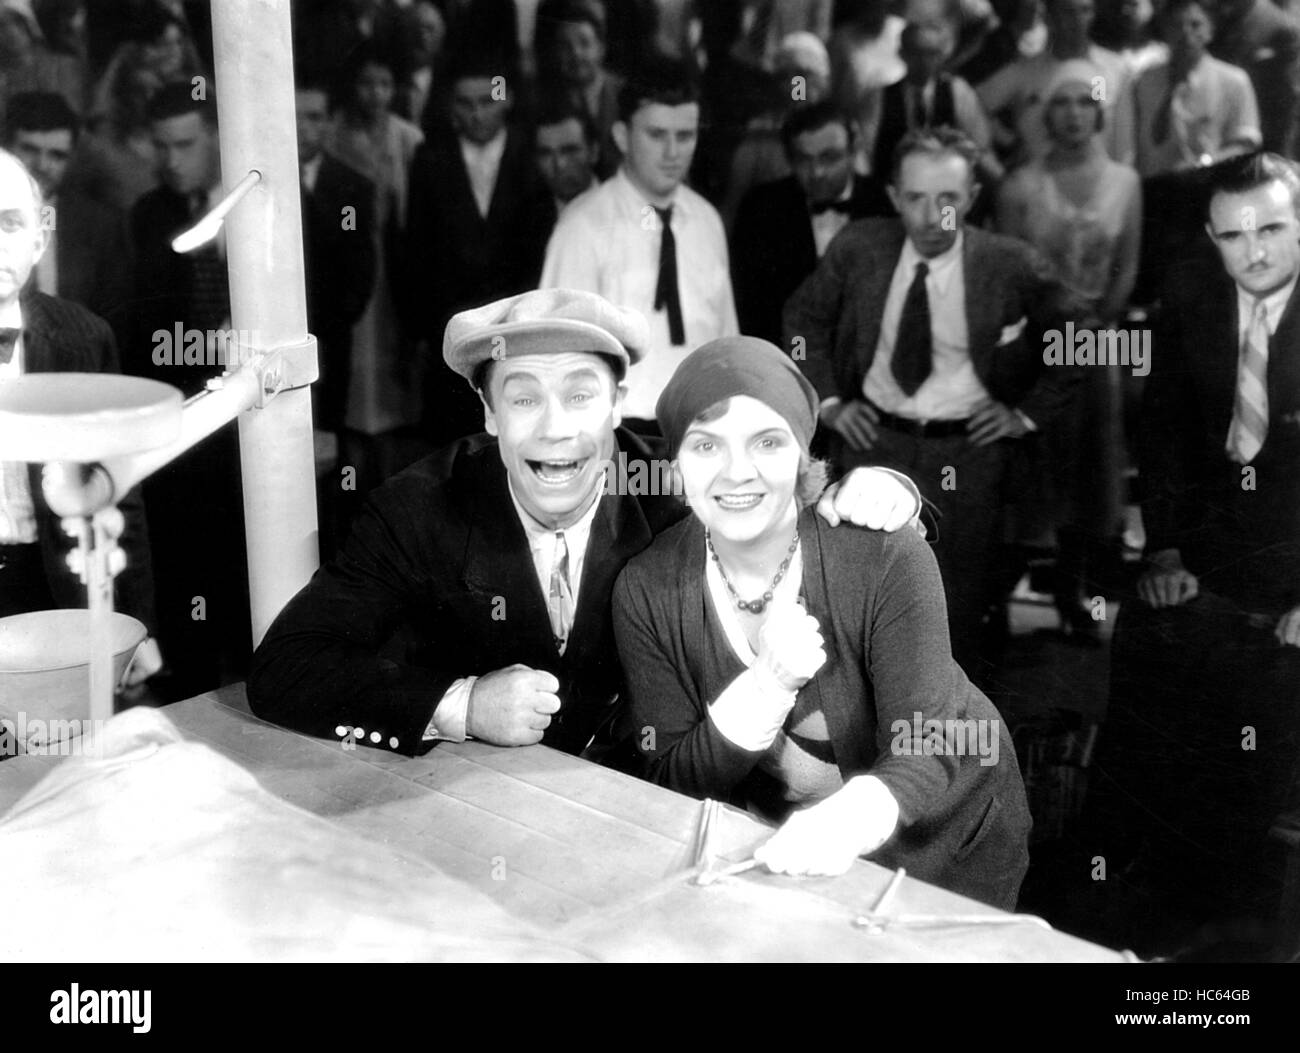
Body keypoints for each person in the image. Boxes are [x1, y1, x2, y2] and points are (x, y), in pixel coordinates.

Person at [248, 289, 924, 760]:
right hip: (467, 801)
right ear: (487, 414)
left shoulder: (676, 483)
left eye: (579, 394)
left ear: (618, 407)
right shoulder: (418, 508)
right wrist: (462, 704)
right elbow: (286, 668)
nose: (556, 427)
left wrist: (883, 490)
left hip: (647, 795)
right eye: (523, 397)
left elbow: (810, 497)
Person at [612, 336, 1031, 904]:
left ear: (803, 455)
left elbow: (928, 739)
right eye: (706, 446)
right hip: (788, 861)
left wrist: (856, 815)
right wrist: (764, 689)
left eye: (768, 442)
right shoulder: (648, 588)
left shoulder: (882, 553)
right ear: (675, 463)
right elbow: (671, 780)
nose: (738, 474)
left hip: (947, 839)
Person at [1081, 153, 1300, 956]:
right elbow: (1165, 435)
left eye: (1273, 227)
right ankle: (1118, 886)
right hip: (1210, 556)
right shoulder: (1193, 294)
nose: (1256, 252)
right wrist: (1164, 550)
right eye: (1235, 235)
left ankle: (1232, 936)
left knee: (1264, 702)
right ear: (1212, 237)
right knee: (1149, 647)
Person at [785, 126, 1076, 681]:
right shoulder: (861, 246)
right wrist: (829, 402)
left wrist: (1027, 412)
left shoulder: (1006, 262)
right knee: (854, 599)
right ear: (894, 197)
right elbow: (804, 317)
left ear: (971, 198)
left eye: (948, 198)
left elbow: (1083, 331)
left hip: (966, 456)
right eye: (915, 197)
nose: (930, 215)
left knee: (953, 608)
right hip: (874, 444)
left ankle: (943, 745)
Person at [0, 146, 160, 682]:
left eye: (10, 224)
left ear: (39, 240)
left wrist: (135, 627)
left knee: (60, 751)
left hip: (52, 587)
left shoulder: (82, 338)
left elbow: (119, 495)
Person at [997, 61, 1141, 633]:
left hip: (1101, 342)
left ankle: (1074, 591)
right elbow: (1009, 275)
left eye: (1086, 102)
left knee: (1092, 468)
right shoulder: (1019, 185)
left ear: (1101, 111)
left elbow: (1128, 269)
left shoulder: (1126, 181)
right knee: (1037, 465)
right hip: (1034, 342)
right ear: (1046, 113)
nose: (1075, 113)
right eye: (1063, 102)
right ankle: (1003, 591)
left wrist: (1089, 333)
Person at [123, 85, 249, 700]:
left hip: (251, 417)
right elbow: (143, 327)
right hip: (179, 419)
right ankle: (190, 689)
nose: (172, 159)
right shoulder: (151, 214)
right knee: (184, 562)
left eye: (186, 144)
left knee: (245, 565)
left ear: (217, 140)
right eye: (161, 146)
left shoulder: (253, 203)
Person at [541, 56, 738, 437]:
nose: (672, 152)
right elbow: (558, 354)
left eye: (685, 136)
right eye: (656, 134)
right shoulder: (583, 227)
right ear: (620, 136)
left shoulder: (706, 221)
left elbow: (726, 340)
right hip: (617, 433)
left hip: (702, 427)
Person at [405, 51, 539, 448]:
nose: (476, 114)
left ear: (507, 99)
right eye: (465, 104)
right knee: (457, 452)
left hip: (522, 332)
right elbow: (415, 252)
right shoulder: (429, 161)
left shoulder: (533, 156)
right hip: (453, 340)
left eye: (487, 102)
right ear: (450, 107)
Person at [732, 101, 891, 348]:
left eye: (830, 157)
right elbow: (751, 309)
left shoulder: (885, 205)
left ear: (854, 150)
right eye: (804, 160)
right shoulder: (761, 209)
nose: (817, 172)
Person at [4, 91, 131, 335]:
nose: (42, 165)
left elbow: (115, 321)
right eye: (30, 149)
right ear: (7, 147)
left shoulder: (100, 226)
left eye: (57, 155)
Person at [977, 0, 1136, 169]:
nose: (1077, 21)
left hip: (1098, 186)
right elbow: (972, 102)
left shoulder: (1114, 69)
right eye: (1068, 12)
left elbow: (1124, 145)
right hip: (1040, 186)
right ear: (1050, 17)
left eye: (1085, 11)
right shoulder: (1025, 71)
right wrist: (1005, 140)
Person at [1133, 0, 1260, 179]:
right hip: (1152, 189)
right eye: (1176, 25)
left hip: (1207, 184)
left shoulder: (1234, 82)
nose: (1186, 33)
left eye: (1196, 25)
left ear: (1210, 31)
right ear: (1165, 30)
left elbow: (1245, 143)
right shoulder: (1145, 80)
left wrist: (1203, 164)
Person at [536, 0, 624, 179]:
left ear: (601, 48)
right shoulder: (544, 99)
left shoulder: (625, 93)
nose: (575, 53)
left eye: (584, 44)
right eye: (565, 46)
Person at [517, 101, 601, 289]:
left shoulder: (622, 208)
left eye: (570, 151)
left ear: (593, 152)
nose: (559, 164)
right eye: (546, 154)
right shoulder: (522, 223)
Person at [1209, 0, 1300, 158]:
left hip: (1267, 131)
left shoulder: (1279, 25)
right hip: (1224, 127)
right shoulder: (1218, 19)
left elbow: (1287, 93)